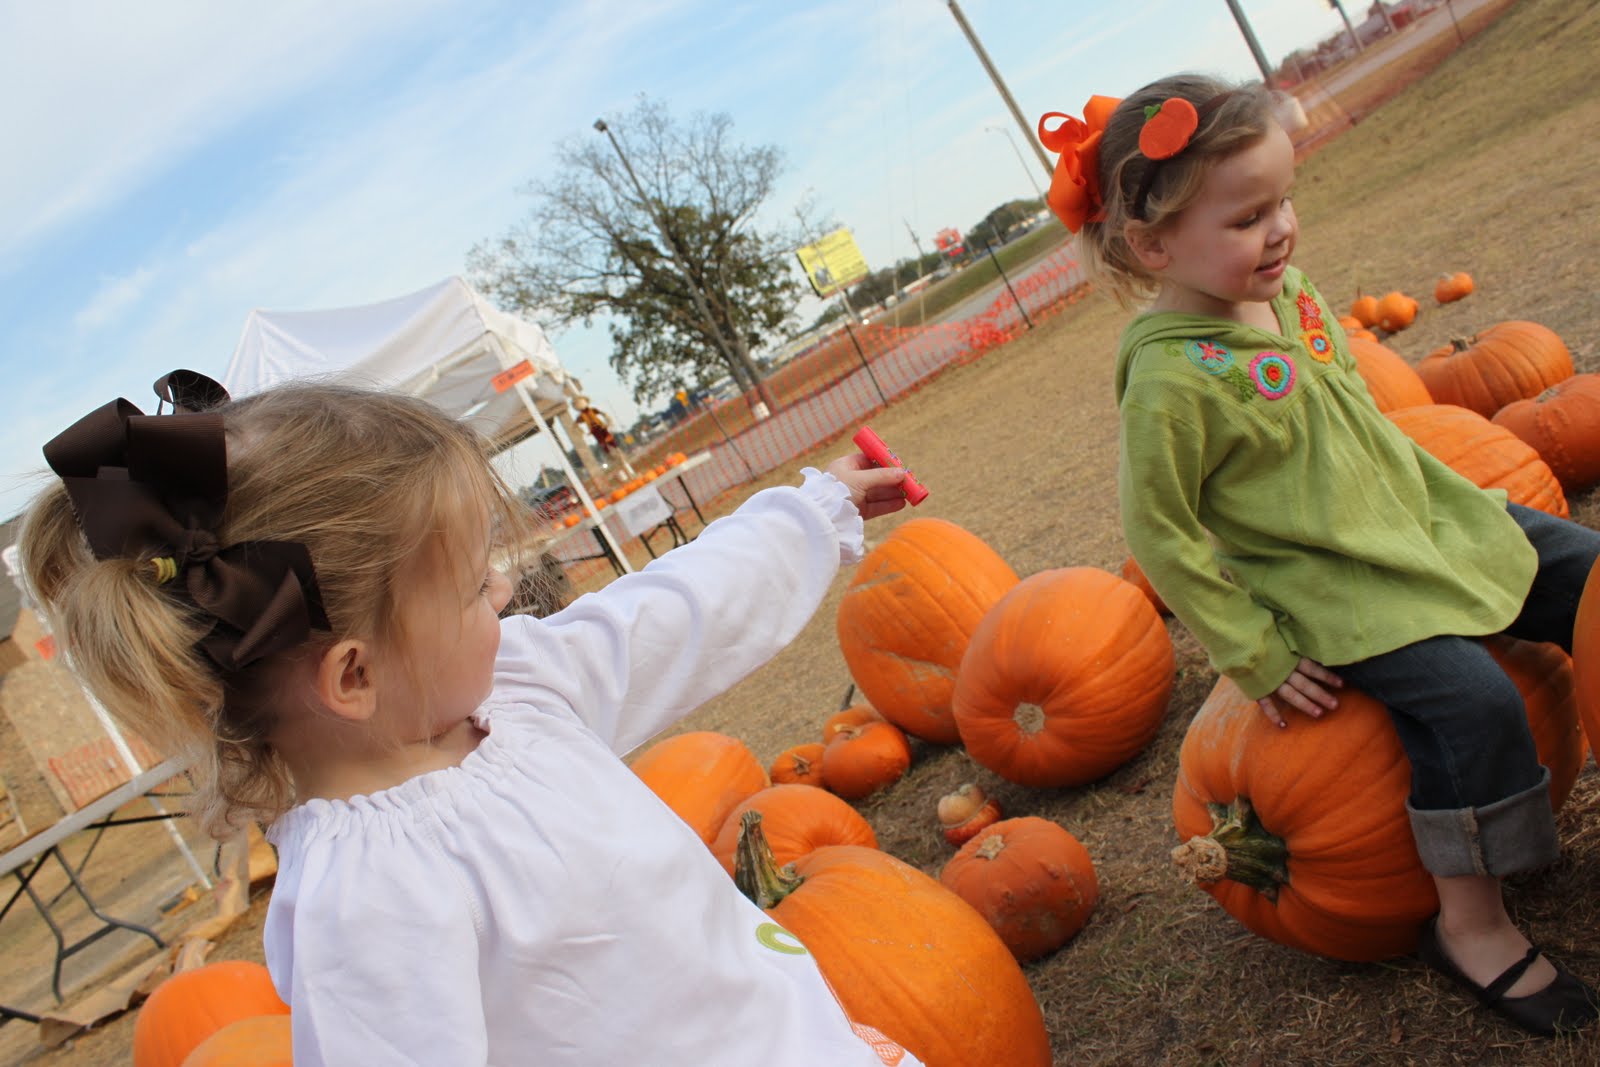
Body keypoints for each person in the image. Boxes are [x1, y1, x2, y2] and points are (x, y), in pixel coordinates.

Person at [18, 371, 920, 1066]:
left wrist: (812, 510)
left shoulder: (519, 690)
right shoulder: (368, 900)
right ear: (356, 673)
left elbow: (673, 610)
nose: (501, 588)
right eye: (468, 585)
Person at [1040, 74, 1600, 1036]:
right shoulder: (1170, 380)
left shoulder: (1283, 291)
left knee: (1587, 571)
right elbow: (1158, 532)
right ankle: (1472, 923)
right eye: (1249, 216)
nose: (1283, 228)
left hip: (1426, 518)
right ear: (1154, 244)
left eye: (1284, 199)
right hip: (1344, 590)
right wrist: (1251, 648)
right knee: (1472, 707)